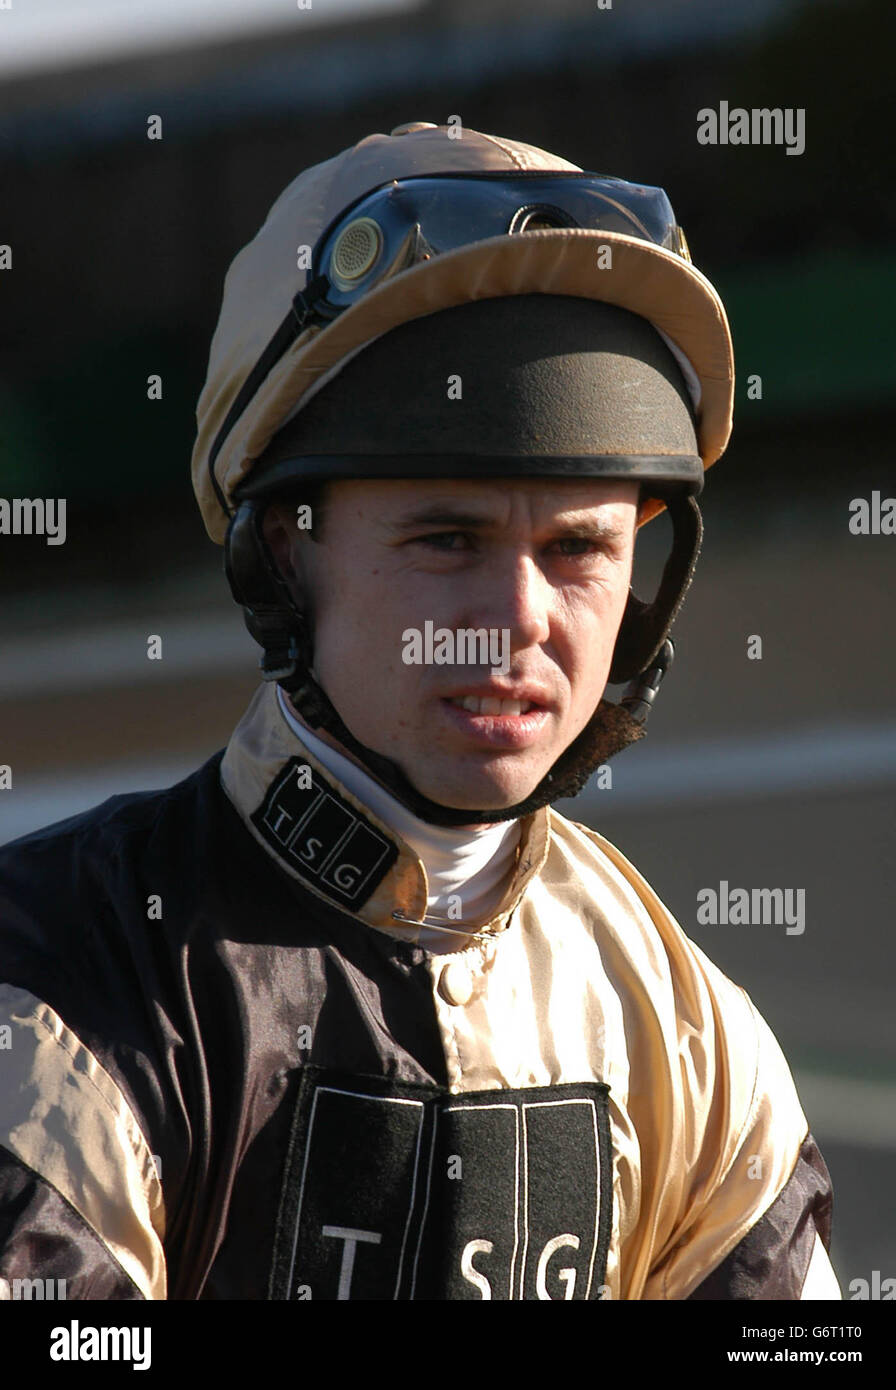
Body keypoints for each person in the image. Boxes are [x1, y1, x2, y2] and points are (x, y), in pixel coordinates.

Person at [0, 122, 840, 1301]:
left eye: (579, 547)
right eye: (447, 538)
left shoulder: (690, 1032)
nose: (517, 616)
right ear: (285, 553)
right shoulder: (56, 992)